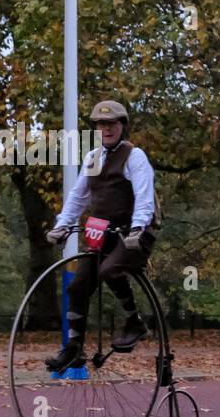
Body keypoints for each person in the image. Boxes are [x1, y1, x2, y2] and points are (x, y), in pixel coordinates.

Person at [44, 99, 158, 372]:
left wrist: (137, 228)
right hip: (101, 234)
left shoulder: (135, 156)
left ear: (122, 126)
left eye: (111, 124)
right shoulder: (92, 158)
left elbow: (144, 198)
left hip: (133, 233)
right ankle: (72, 348)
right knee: (78, 285)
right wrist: (63, 225)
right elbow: (78, 196)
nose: (106, 129)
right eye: (100, 125)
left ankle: (134, 321)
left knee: (110, 270)